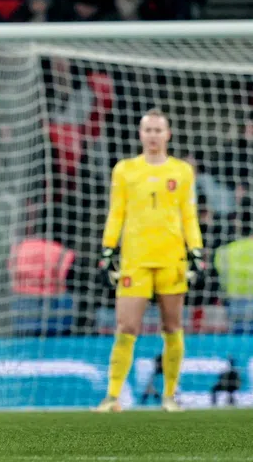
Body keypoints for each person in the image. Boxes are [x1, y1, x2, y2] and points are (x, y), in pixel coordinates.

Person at [95, 109, 205, 413]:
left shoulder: (182, 171)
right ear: (140, 134)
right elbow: (116, 212)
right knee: (126, 325)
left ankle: (170, 396)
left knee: (172, 326)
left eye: (158, 130)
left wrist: (196, 250)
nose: (153, 135)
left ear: (167, 134)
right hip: (135, 259)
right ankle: (113, 397)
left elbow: (188, 215)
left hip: (171, 258)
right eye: (148, 130)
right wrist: (107, 249)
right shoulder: (125, 170)